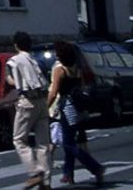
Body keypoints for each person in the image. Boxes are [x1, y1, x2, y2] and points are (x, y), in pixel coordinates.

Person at [47, 40, 105, 187]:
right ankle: (68, 174)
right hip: (79, 108)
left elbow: (54, 93)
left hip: (67, 107)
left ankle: (95, 167)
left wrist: (45, 108)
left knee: (69, 144)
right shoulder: (77, 68)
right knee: (70, 140)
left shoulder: (59, 70)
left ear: (60, 55)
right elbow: (82, 86)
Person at [7, 31, 52, 189]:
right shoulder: (36, 59)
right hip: (42, 101)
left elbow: (13, 81)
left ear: (16, 45)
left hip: (27, 101)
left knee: (19, 139)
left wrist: (10, 80)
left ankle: (34, 173)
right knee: (43, 143)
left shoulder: (14, 61)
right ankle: (46, 181)